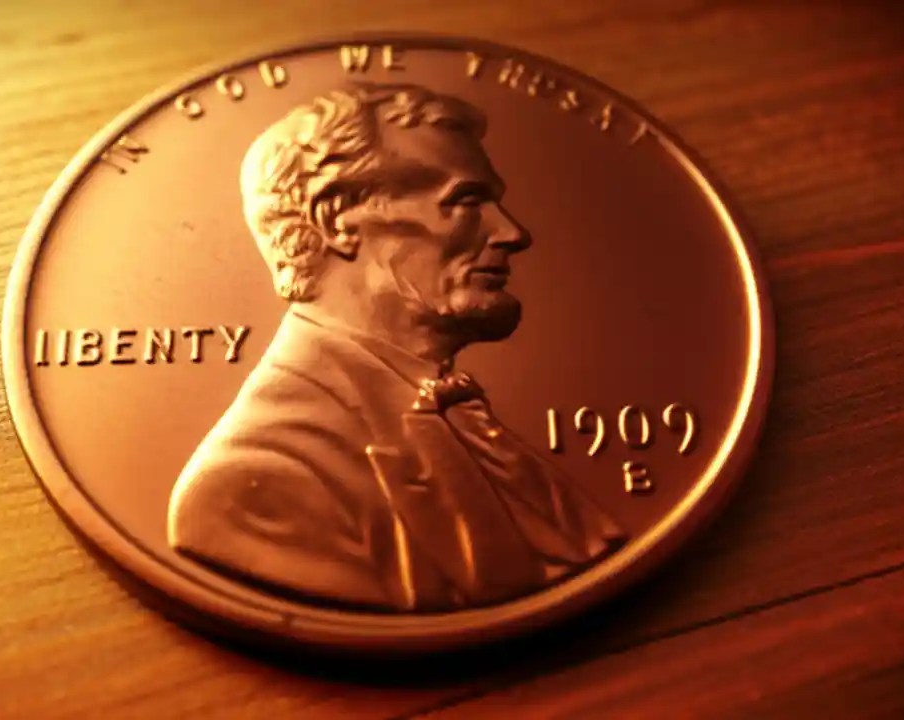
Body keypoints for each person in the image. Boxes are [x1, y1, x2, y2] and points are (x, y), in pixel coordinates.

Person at [167, 82, 625, 612]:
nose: (513, 233)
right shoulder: (253, 485)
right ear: (336, 221)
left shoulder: (454, 411)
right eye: (465, 202)